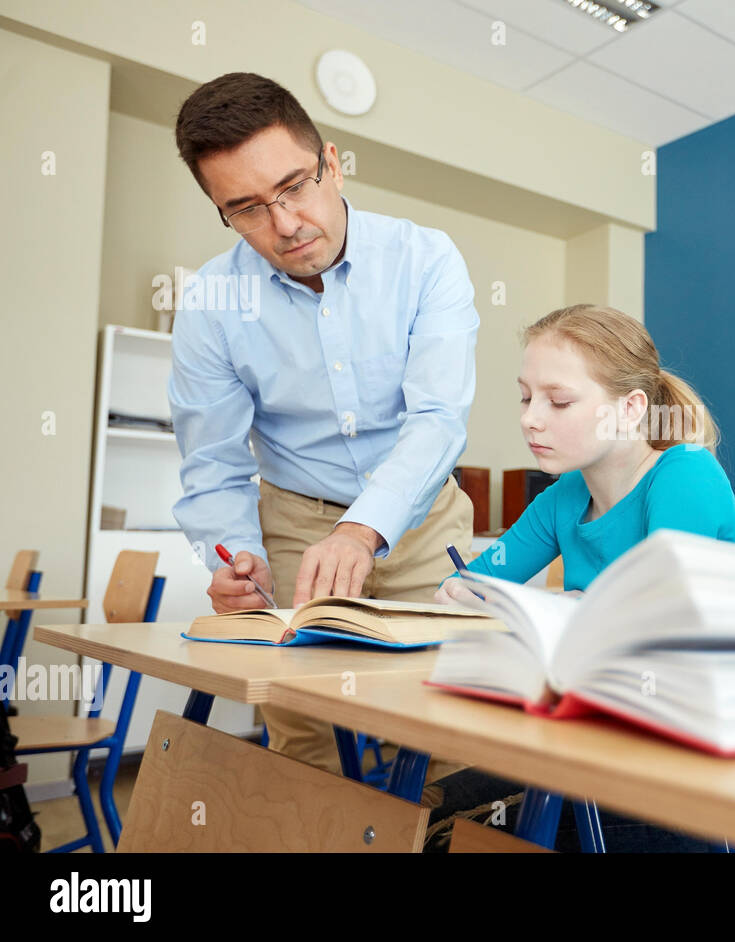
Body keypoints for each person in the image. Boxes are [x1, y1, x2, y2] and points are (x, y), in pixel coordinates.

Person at [168, 72, 477, 789]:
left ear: (332, 163)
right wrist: (236, 563)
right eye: (245, 208)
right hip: (295, 526)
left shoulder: (427, 259)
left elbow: (437, 420)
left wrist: (363, 529)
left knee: (461, 730)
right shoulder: (212, 302)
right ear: (222, 211)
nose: (284, 225)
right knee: (302, 735)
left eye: (295, 186)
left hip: (424, 518)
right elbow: (212, 463)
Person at [428, 303, 735, 850]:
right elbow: (466, 587)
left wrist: (558, 609)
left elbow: (656, 619)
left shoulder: (684, 474)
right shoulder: (563, 497)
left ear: (629, 411)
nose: (531, 418)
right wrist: (474, 594)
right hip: (598, 738)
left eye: (558, 401)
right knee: (422, 807)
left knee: (451, 834)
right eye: (526, 397)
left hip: (696, 766)